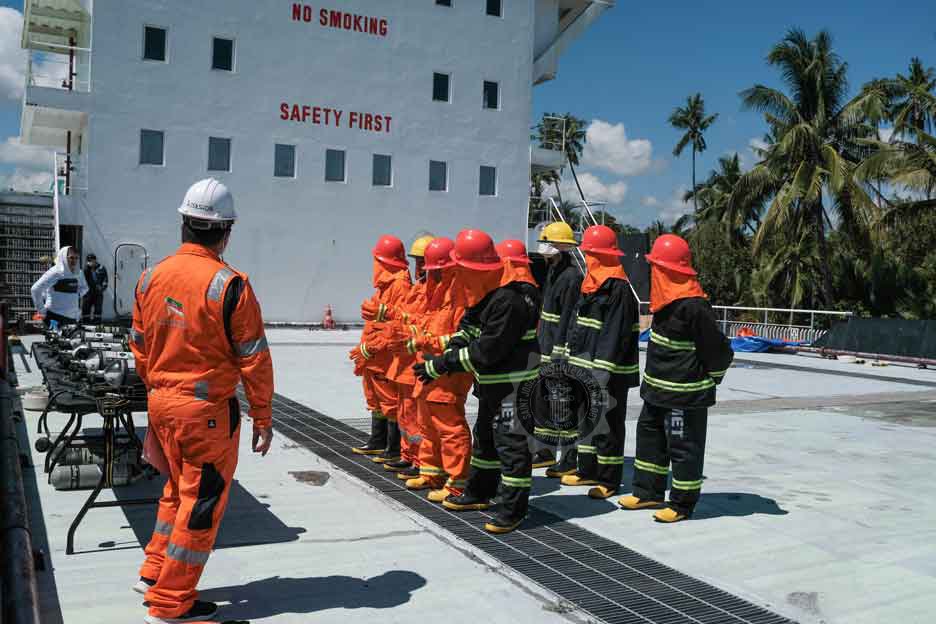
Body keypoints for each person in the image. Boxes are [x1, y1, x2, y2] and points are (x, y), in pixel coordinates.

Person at [129, 178, 274, 624]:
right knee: (202, 502)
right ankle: (172, 603)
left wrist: (158, 392)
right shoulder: (230, 285)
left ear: (184, 225)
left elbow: (138, 345)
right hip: (206, 413)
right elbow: (253, 357)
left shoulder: (150, 277)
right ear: (225, 230)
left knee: (176, 491)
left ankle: (156, 572)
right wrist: (262, 416)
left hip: (161, 403)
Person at [417, 230, 541, 534]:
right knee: (485, 440)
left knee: (512, 447)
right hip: (492, 387)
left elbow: (487, 349)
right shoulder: (486, 290)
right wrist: (453, 346)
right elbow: (469, 326)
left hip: (514, 388)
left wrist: (442, 364)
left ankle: (513, 510)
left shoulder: (509, 300)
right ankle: (479, 493)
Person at [619, 234, 733, 523]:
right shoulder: (664, 303)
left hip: (683, 397)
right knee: (650, 441)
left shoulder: (694, 307)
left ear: (670, 270)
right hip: (656, 392)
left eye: (657, 267)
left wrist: (711, 379)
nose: (653, 272)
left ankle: (682, 504)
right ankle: (648, 492)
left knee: (683, 447)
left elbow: (719, 350)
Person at [558, 225, 640, 499]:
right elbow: (579, 328)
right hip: (585, 369)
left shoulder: (618, 289)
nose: (588, 257)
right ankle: (587, 470)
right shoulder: (591, 285)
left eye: (592, 253)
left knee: (608, 425)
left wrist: (600, 377)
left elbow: (613, 338)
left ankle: (609, 479)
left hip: (608, 374)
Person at [398, 237, 473, 501]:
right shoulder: (436, 292)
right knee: (428, 424)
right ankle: (432, 472)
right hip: (427, 368)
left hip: (448, 373)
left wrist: (427, 341)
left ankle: (457, 480)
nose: (427, 272)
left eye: (431, 267)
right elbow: (427, 324)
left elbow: (458, 335)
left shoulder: (459, 295)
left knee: (450, 427)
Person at [350, 235, 412, 463]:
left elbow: (396, 326)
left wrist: (372, 348)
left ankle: (393, 447)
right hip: (373, 357)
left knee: (389, 401)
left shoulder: (399, 285)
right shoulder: (385, 286)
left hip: (383, 356)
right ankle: (378, 440)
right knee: (375, 400)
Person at [533, 222, 583, 477]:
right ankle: (545, 450)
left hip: (557, 350)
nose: (543, 252)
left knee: (563, 403)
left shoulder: (572, 277)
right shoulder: (553, 271)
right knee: (544, 402)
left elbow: (568, 317)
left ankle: (570, 456)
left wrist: (561, 350)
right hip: (544, 346)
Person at [31, 245, 88, 326]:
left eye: (76, 258)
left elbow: (85, 288)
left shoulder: (79, 273)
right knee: (56, 339)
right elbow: (35, 289)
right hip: (55, 317)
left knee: (73, 339)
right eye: (71, 258)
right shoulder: (55, 272)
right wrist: (41, 311)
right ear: (64, 257)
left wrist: (77, 294)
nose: (74, 261)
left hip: (72, 319)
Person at [82, 253, 109, 322]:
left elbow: (105, 280)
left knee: (98, 308)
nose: (90, 262)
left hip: (98, 292)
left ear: (95, 260)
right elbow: (82, 280)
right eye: (89, 261)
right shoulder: (85, 269)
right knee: (86, 307)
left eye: (92, 260)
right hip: (88, 292)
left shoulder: (101, 268)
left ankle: (97, 322)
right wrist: (87, 268)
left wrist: (102, 288)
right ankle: (86, 321)